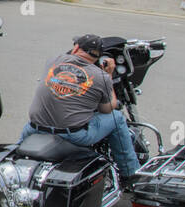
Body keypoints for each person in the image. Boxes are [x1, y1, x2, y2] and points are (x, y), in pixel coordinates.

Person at [18, 34, 140, 180]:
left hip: (34, 128)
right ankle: (131, 174)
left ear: (76, 47)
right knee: (118, 118)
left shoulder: (53, 60)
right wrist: (108, 74)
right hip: (74, 135)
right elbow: (107, 109)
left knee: (16, 153)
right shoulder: (101, 76)